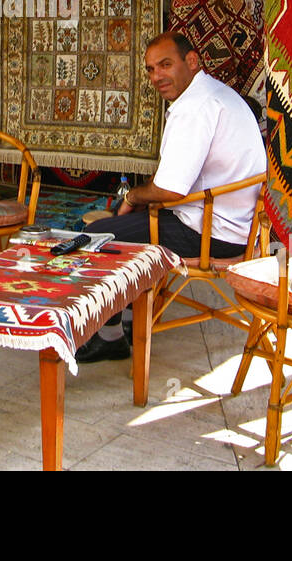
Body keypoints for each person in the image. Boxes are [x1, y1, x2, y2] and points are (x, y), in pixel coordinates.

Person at [75, 31, 265, 363]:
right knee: (131, 226)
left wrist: (133, 196)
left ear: (191, 61)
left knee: (97, 237)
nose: (157, 76)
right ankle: (134, 320)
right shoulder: (215, 93)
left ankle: (110, 337)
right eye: (150, 69)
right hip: (237, 228)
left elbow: (171, 189)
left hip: (212, 235)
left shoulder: (194, 107)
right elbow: (173, 180)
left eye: (165, 64)